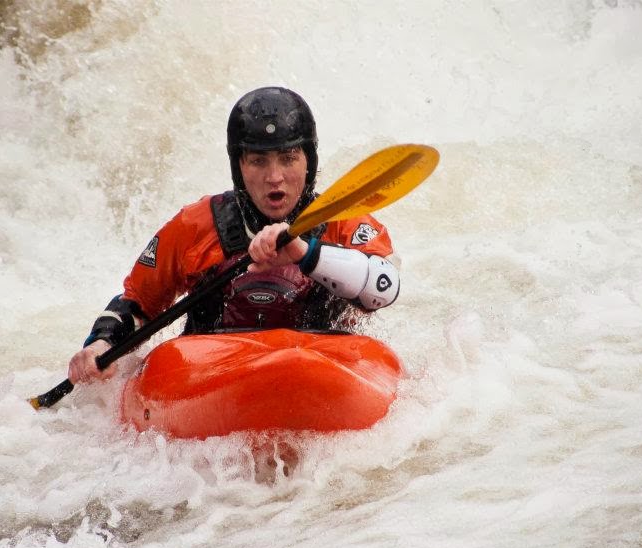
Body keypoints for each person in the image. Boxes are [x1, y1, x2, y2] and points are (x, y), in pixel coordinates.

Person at [68, 86, 400, 383]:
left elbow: (383, 290)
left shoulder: (343, 221)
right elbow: (139, 305)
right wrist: (102, 342)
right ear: (238, 167)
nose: (274, 177)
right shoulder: (195, 226)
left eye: (288, 159)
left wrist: (304, 253)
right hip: (216, 374)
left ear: (308, 162)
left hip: (319, 368)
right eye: (258, 161)